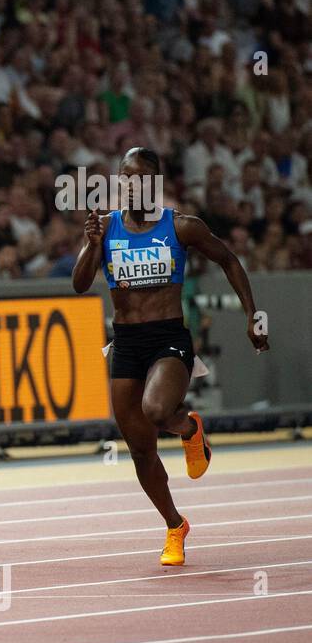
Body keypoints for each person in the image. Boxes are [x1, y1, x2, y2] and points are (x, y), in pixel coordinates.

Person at [72, 147, 268, 566]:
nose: (129, 184)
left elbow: (229, 260)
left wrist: (252, 315)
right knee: (141, 450)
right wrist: (91, 246)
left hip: (168, 339)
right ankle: (175, 526)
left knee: (157, 410)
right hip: (125, 342)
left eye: (139, 177)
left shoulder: (181, 227)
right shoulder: (104, 228)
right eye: (124, 177)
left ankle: (188, 427)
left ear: (154, 183)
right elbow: (80, 283)